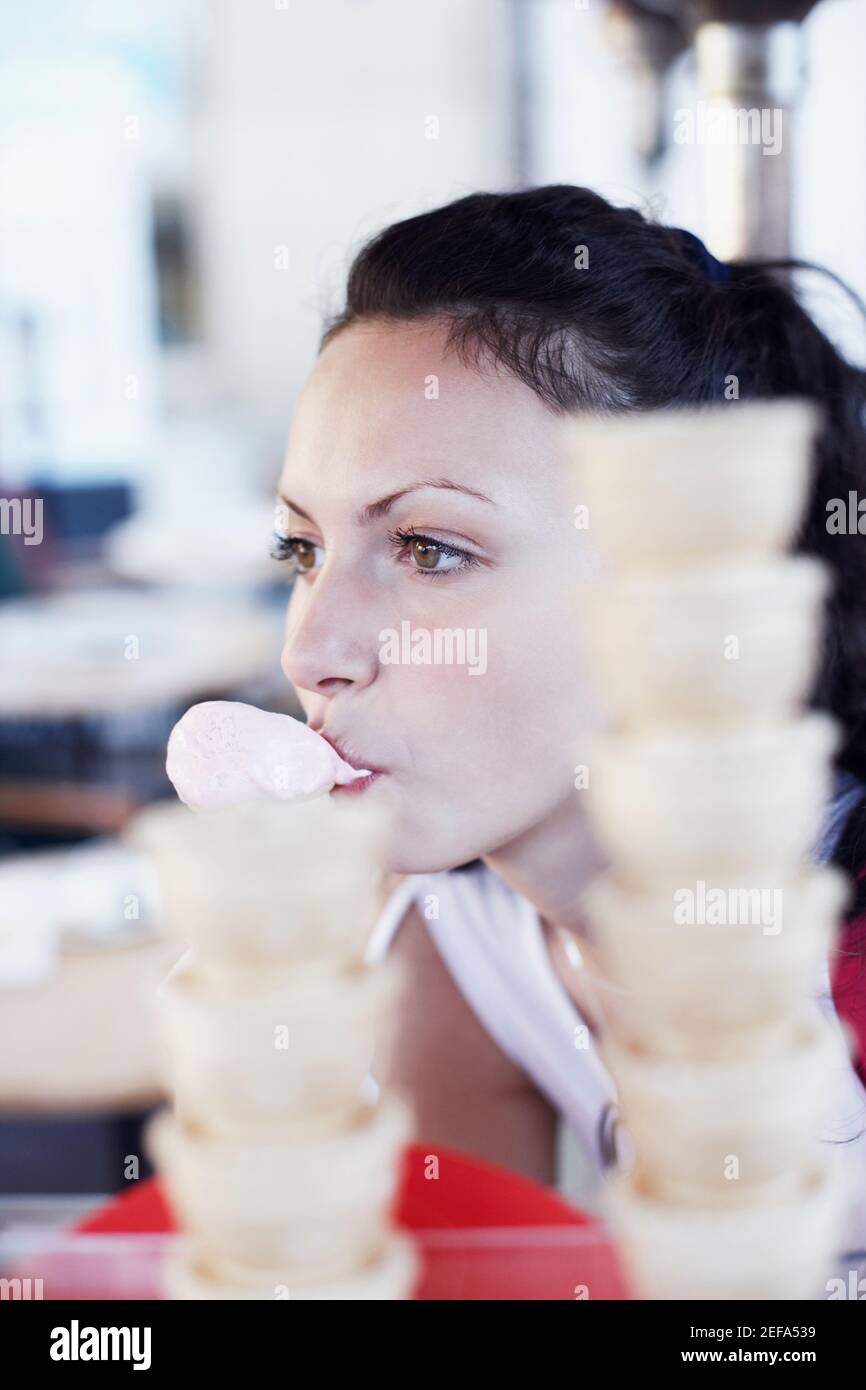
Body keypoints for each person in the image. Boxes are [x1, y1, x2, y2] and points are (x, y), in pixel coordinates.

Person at [273, 184, 866, 1233]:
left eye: (427, 549)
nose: (311, 650)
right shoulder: (459, 947)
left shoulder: (839, 974)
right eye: (302, 551)